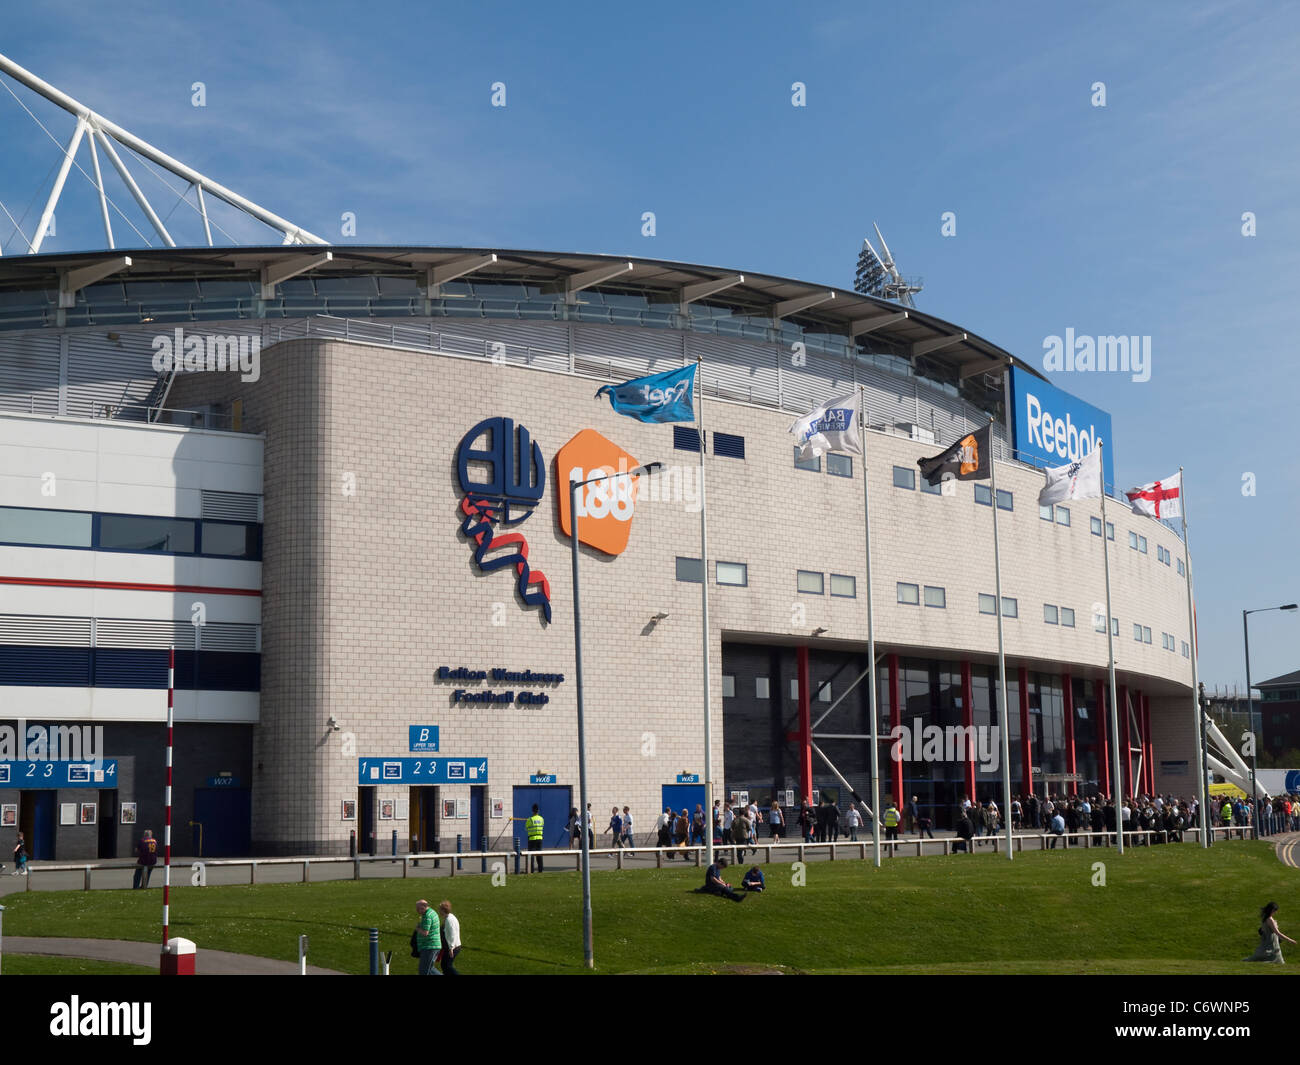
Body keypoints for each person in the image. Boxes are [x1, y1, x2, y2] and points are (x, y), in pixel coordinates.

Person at [413, 899, 442, 975]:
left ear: (423, 907)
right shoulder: (432, 912)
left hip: (429, 946)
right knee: (430, 969)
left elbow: (425, 933)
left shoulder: (427, 916)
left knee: (423, 970)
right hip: (432, 946)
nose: (417, 911)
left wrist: (418, 928)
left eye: (418, 909)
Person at [438, 900, 461, 975]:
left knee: (447, 966)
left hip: (452, 947)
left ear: (443, 910)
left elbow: (452, 934)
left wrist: (451, 948)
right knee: (445, 966)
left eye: (440, 909)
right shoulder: (449, 917)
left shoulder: (449, 920)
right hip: (452, 946)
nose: (439, 911)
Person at [525, 804, 545, 872]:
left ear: (532, 811)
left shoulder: (530, 819)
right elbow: (542, 826)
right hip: (539, 838)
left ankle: (531, 870)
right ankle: (540, 869)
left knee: (531, 855)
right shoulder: (541, 819)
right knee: (539, 854)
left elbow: (526, 828)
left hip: (532, 839)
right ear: (538, 811)